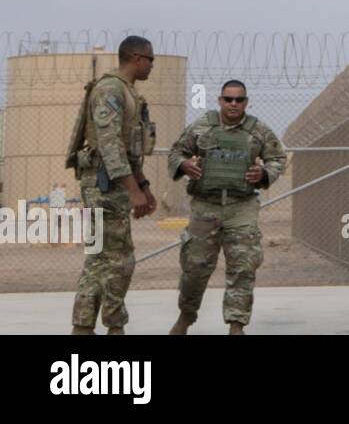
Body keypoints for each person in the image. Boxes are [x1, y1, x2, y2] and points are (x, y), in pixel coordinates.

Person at [167, 80, 287, 335]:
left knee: (243, 268)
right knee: (194, 268)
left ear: (246, 102)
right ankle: (186, 316)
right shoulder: (203, 126)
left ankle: (236, 325)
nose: (233, 104)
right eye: (228, 99)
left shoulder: (258, 131)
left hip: (241, 208)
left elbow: (278, 158)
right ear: (220, 100)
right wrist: (184, 165)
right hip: (205, 207)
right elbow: (175, 152)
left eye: (239, 100)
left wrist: (264, 173)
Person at [67, 35, 158, 335]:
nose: (152, 66)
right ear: (136, 58)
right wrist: (132, 190)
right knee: (119, 260)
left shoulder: (127, 92)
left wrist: (143, 186)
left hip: (112, 183)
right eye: (150, 60)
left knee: (100, 259)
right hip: (104, 186)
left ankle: (83, 327)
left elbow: (127, 147)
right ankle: (113, 326)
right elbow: (108, 144)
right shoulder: (110, 90)